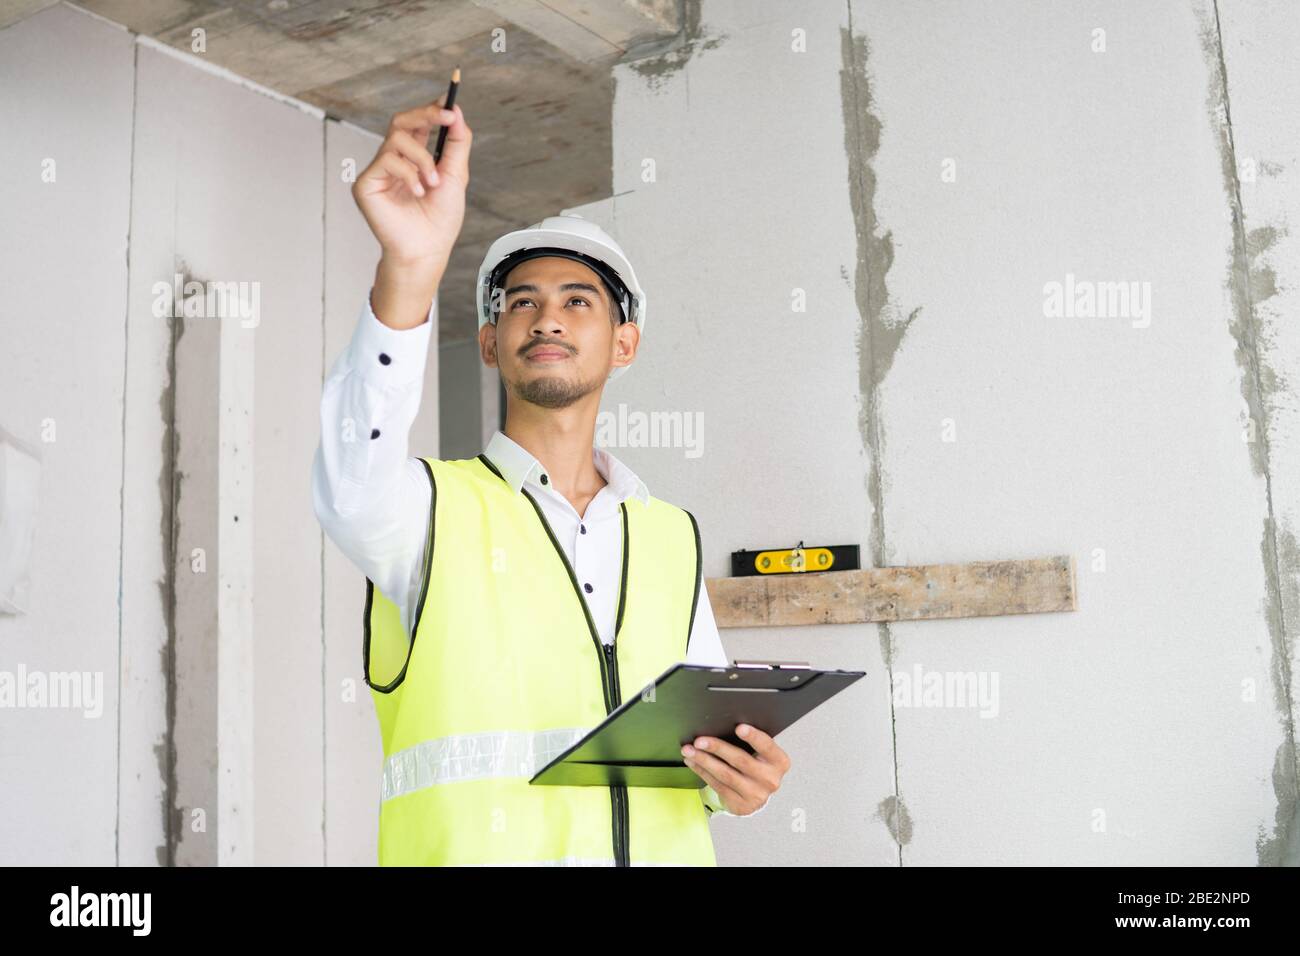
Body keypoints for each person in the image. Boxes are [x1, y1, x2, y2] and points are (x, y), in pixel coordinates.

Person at [312, 94, 790, 866]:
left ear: (623, 343)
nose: (548, 319)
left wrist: (732, 781)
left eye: (578, 301)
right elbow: (348, 479)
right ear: (493, 345)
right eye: (523, 304)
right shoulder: (429, 511)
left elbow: (694, 747)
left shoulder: (670, 535)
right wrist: (409, 271)